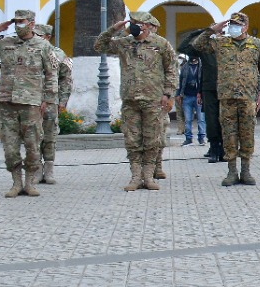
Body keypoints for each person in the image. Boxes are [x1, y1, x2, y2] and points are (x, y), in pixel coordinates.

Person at [0, 11, 58, 197]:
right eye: (16, 22)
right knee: (10, 148)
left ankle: (29, 182)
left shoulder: (43, 46)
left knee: (33, 146)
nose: (18, 25)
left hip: (31, 104)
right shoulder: (4, 44)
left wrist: (47, 100)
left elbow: (51, 76)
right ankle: (16, 183)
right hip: (7, 103)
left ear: (31, 23)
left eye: (22, 22)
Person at [94, 11, 178, 192]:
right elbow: (99, 46)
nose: (133, 25)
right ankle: (135, 176)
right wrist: (112, 30)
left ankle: (148, 176)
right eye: (131, 22)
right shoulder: (124, 43)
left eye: (137, 22)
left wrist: (167, 93)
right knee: (132, 140)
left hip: (153, 100)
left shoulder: (161, 44)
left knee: (152, 139)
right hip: (130, 99)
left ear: (147, 26)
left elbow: (171, 69)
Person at [192, 12, 260, 187]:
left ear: (246, 26)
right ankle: (232, 171)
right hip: (227, 97)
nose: (235, 27)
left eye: (238, 24)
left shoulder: (256, 44)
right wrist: (213, 29)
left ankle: (246, 170)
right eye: (232, 24)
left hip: (248, 97)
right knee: (229, 135)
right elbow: (198, 45)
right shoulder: (221, 43)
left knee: (247, 135)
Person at [32, 24, 72, 184]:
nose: (35, 38)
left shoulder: (57, 54)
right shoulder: (29, 53)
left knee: (49, 136)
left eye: (38, 35)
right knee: (32, 136)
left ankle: (48, 170)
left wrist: (63, 100)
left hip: (51, 102)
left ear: (47, 37)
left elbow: (66, 79)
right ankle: (35, 170)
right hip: (31, 101)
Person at [179, 27, 225, 164]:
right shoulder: (205, 48)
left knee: (226, 120)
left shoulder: (230, 48)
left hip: (227, 88)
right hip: (209, 89)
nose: (220, 35)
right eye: (217, 32)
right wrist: (199, 32)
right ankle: (214, 148)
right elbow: (183, 47)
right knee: (211, 120)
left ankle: (225, 149)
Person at [177, 54, 206, 146]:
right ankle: (188, 138)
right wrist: (179, 94)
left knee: (201, 119)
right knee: (188, 119)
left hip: (199, 96)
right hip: (187, 96)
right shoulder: (185, 67)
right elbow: (181, 81)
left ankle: (201, 138)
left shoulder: (202, 66)